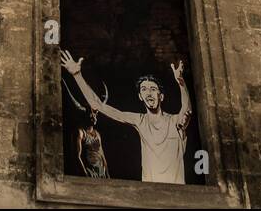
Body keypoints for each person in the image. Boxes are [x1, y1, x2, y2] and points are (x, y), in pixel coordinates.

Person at [61, 50, 191, 184]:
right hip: (150, 193)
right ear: (141, 97)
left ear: (161, 96)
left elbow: (186, 112)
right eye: (144, 89)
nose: (148, 93)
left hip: (176, 191)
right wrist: (77, 75)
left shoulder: (174, 121)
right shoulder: (139, 120)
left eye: (153, 89)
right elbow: (97, 105)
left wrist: (181, 83)